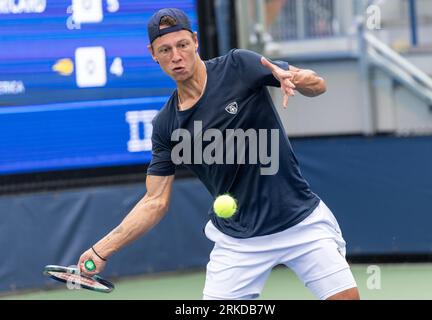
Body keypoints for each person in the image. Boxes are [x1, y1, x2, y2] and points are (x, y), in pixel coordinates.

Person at [77, 8, 360, 300]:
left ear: (195, 42)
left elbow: (319, 85)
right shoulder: (167, 126)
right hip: (238, 241)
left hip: (300, 221)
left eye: (182, 45)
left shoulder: (239, 65)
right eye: (165, 49)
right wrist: (102, 248)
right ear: (153, 53)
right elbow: (154, 202)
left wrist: (297, 77)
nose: (176, 56)